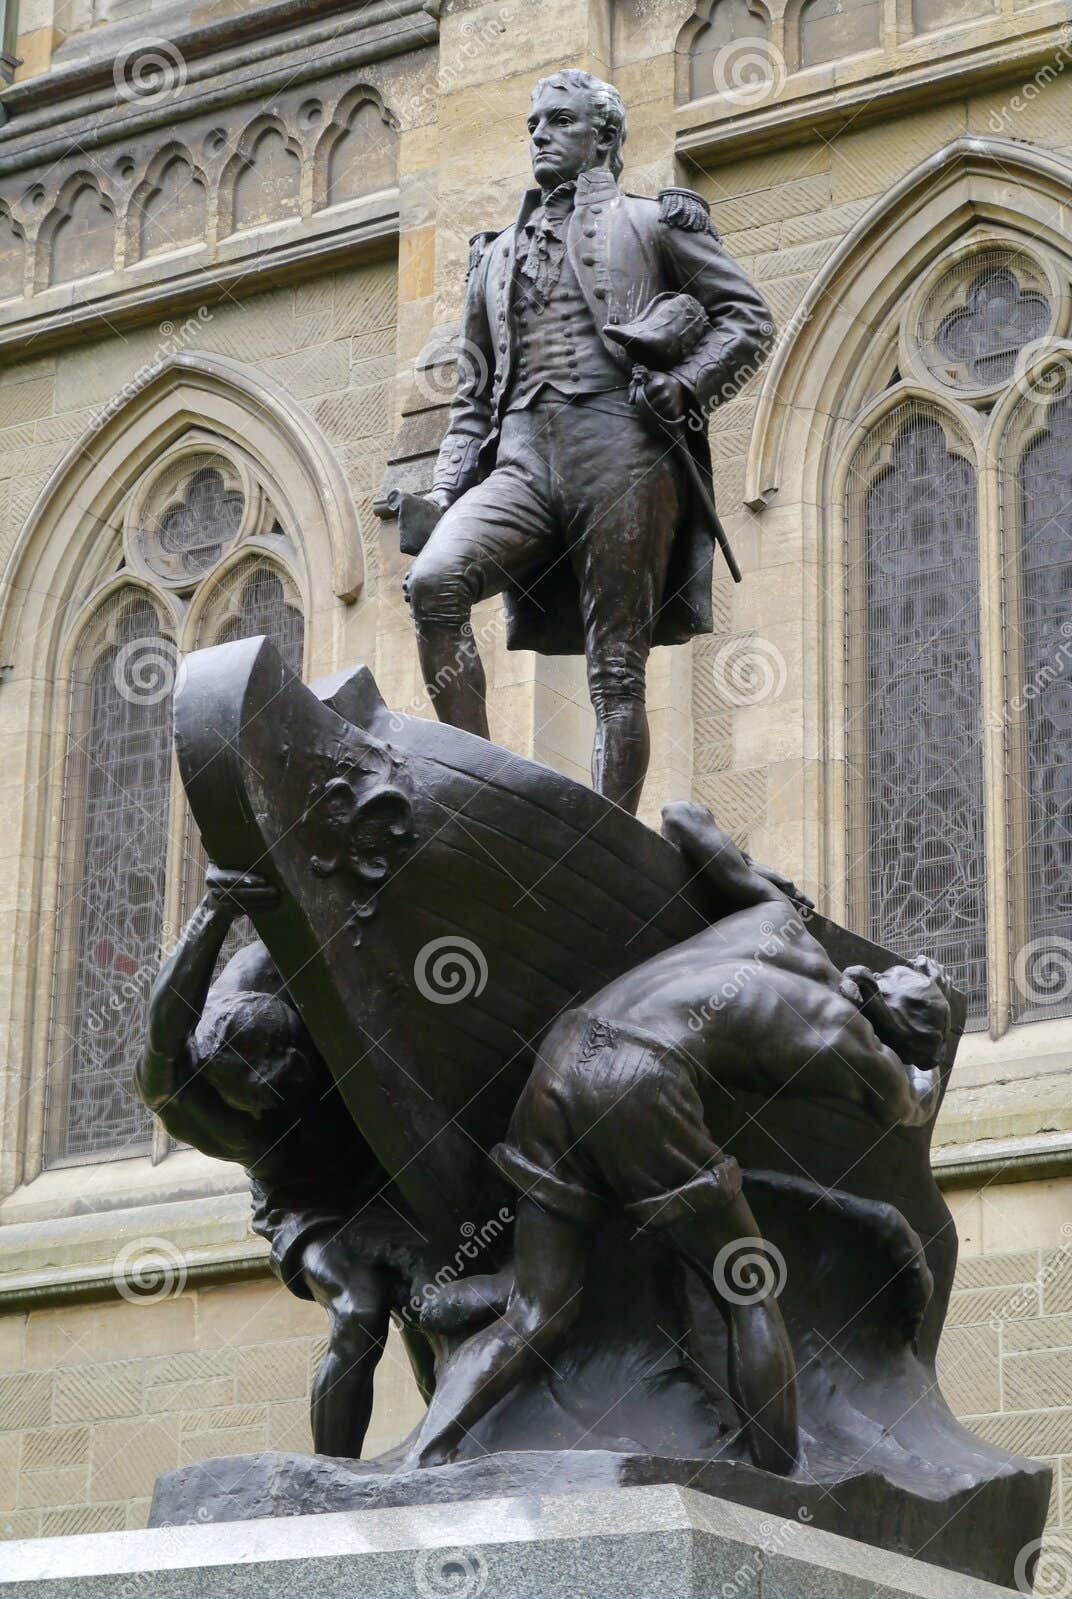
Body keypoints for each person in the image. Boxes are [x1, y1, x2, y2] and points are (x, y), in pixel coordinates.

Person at [407, 804, 951, 1471]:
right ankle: (776, 1481)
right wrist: (922, 1065)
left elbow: (684, 819)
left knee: (536, 1310)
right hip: (641, 1077)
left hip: (566, 1050)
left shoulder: (782, 925)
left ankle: (425, 1459)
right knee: (747, 1290)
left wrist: (764, 877)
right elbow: (911, 1106)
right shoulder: (857, 1048)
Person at [405, 68, 774, 813]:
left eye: (560, 122)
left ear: (602, 136)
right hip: (520, 459)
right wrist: (445, 489)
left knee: (615, 669)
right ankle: (479, 789)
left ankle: (608, 840)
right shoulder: (493, 257)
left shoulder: (656, 223)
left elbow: (746, 319)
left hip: (620, 448)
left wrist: (687, 384)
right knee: (433, 584)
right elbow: (473, 396)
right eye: (533, 123)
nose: (539, 135)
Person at [135, 868, 435, 1458]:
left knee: (435, 1303)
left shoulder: (268, 970)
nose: (297, 1083)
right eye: (278, 1090)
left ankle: (449, 1442)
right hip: (310, 1209)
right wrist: (211, 913)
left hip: (392, 1171)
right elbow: (159, 1044)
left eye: (298, 1060)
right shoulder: (206, 1111)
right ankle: (330, 1480)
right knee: (362, 1307)